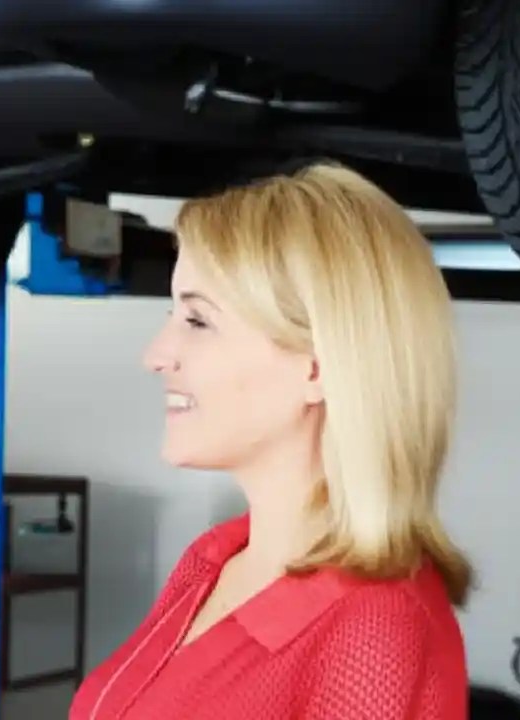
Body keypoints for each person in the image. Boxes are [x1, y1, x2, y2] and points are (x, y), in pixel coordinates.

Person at [70, 162, 473, 719]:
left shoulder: (374, 630)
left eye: (198, 320)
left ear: (319, 367)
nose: (156, 354)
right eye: (173, 313)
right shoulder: (215, 558)